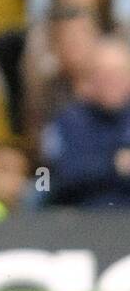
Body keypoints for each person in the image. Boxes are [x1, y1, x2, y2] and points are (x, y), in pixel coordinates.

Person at [42, 35, 130, 208]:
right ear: (89, 79)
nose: (111, 82)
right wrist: (114, 165)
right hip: (84, 219)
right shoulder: (68, 121)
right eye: (104, 74)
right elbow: (59, 176)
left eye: (119, 73)